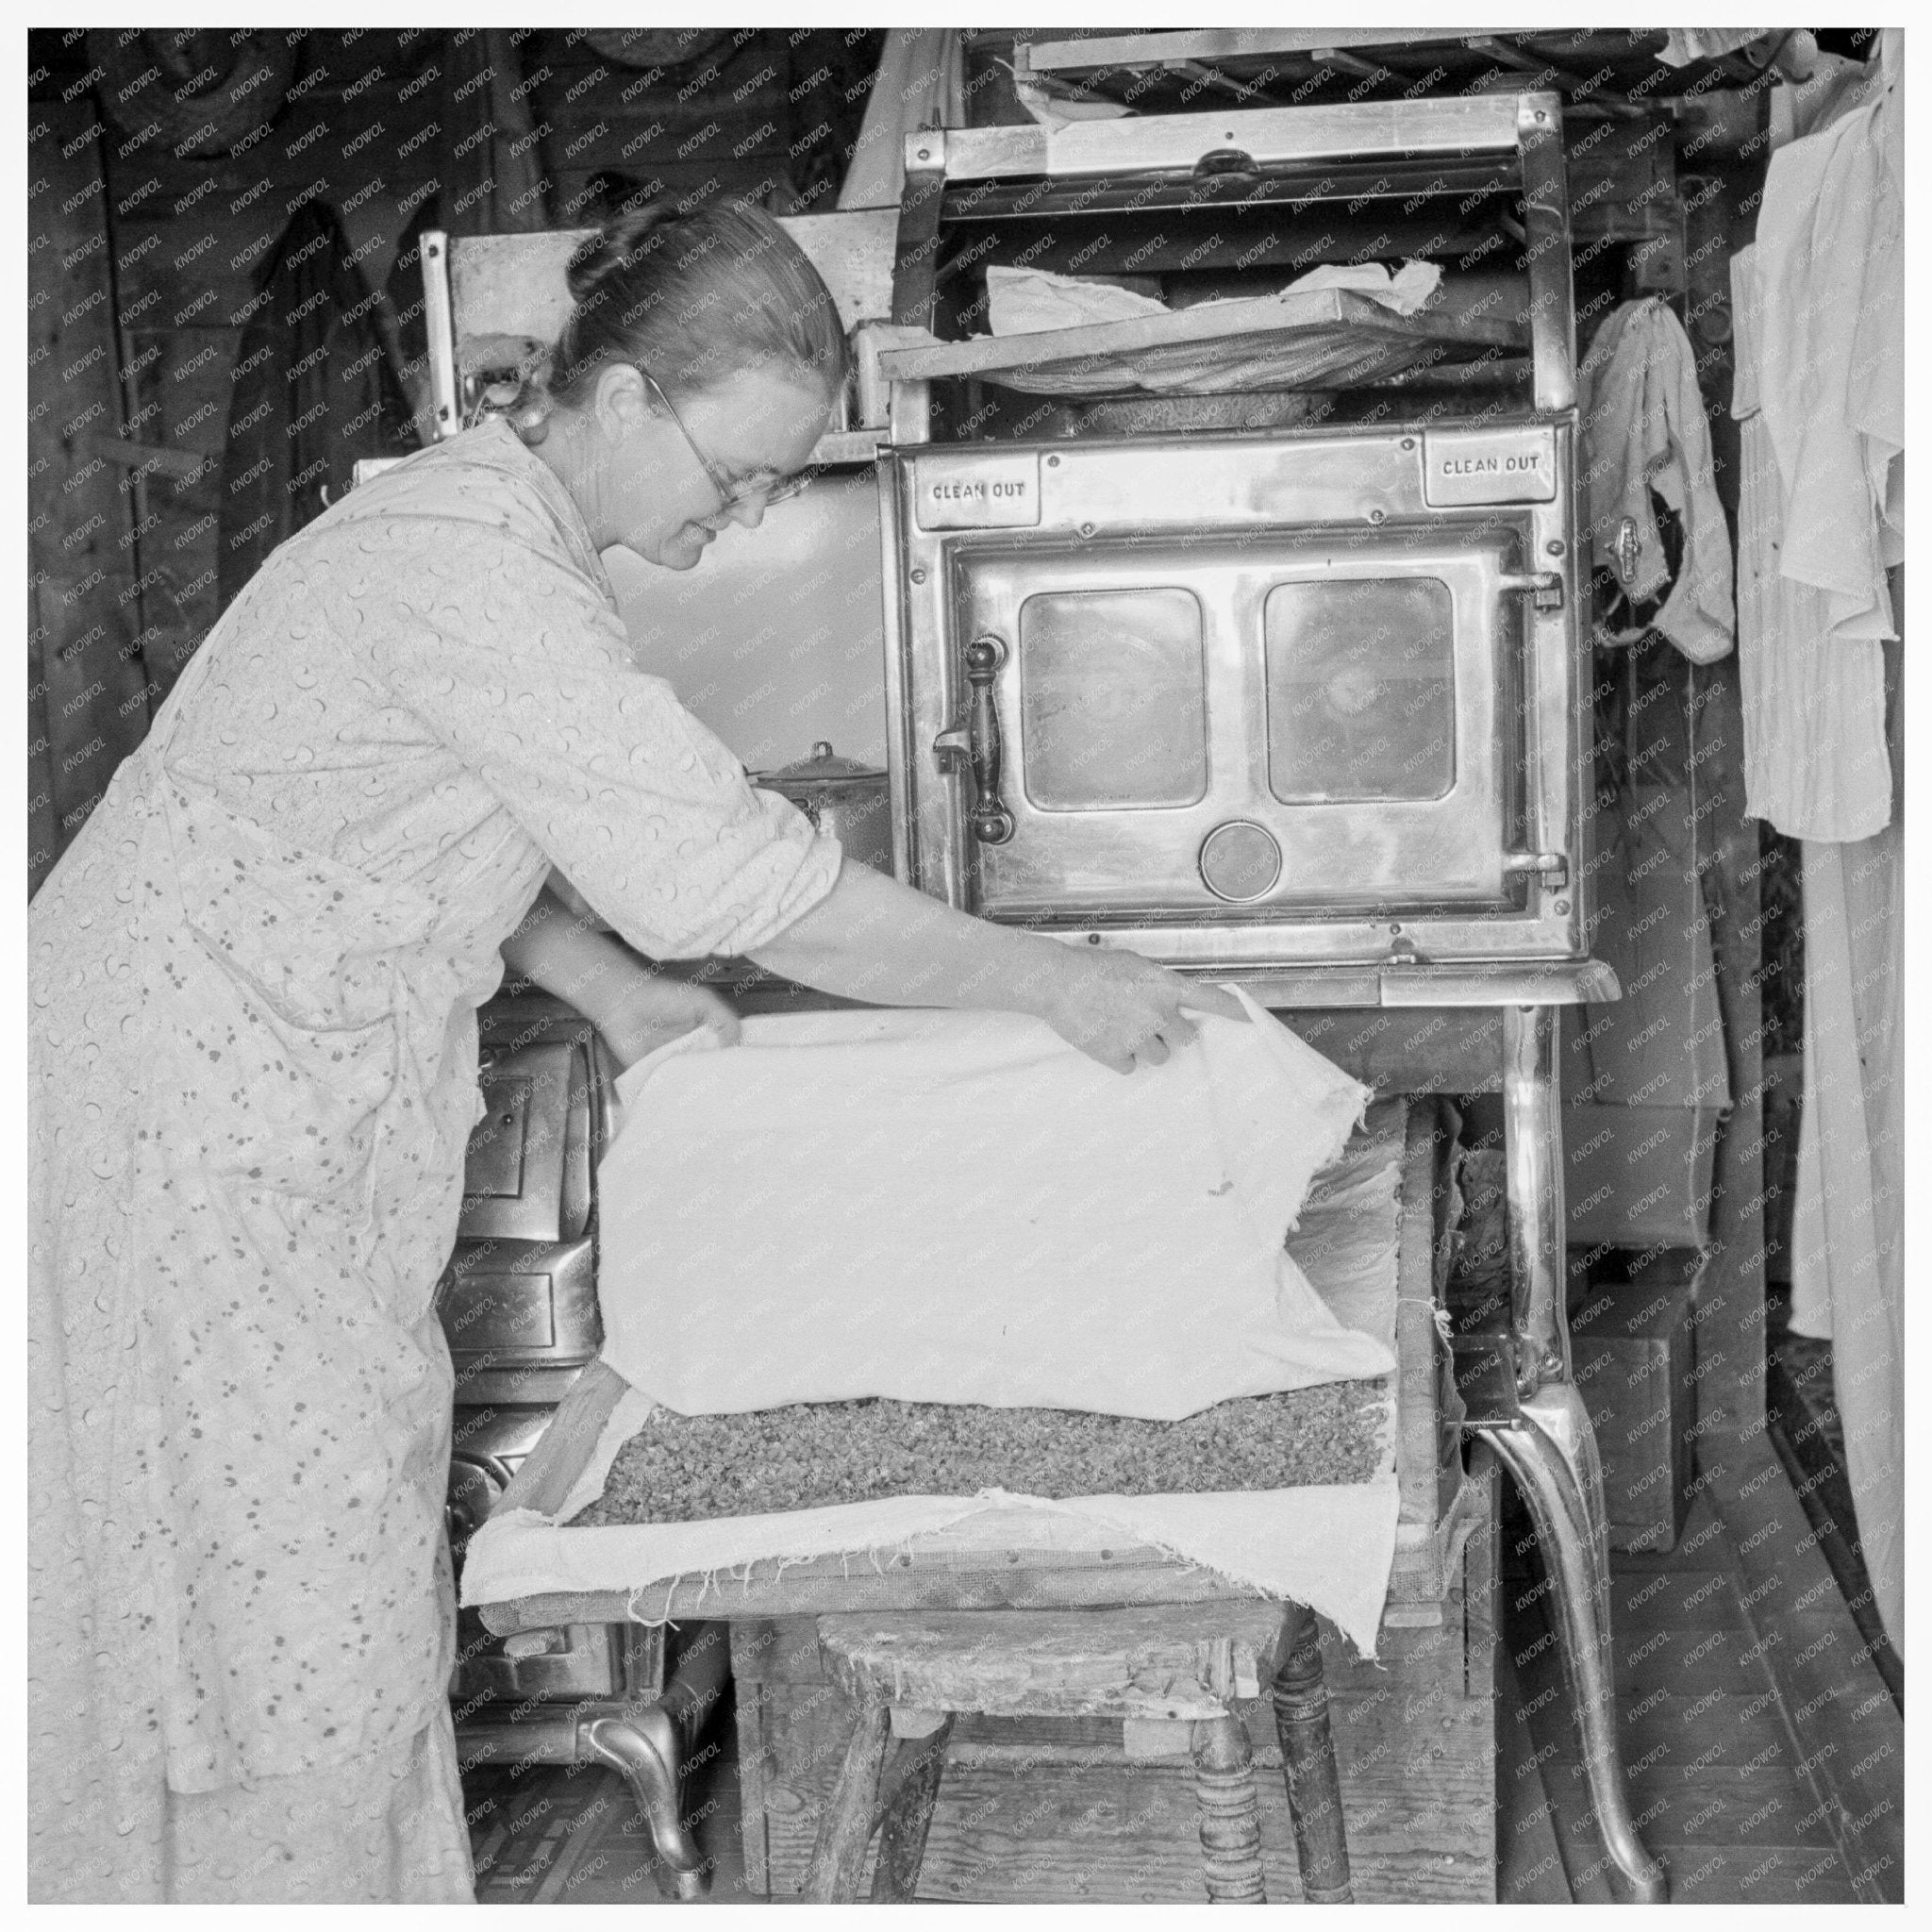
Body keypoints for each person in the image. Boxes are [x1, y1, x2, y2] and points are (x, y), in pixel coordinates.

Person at [27, 200, 1240, 1904]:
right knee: (275, 1607)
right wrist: (1048, 978)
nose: (741, 514)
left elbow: (427, 813)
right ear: (612, 395)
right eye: (734, 472)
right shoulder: (464, 563)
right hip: (173, 1125)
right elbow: (738, 878)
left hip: (240, 1092)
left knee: (263, 1585)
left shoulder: (495, 545)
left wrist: (609, 989)